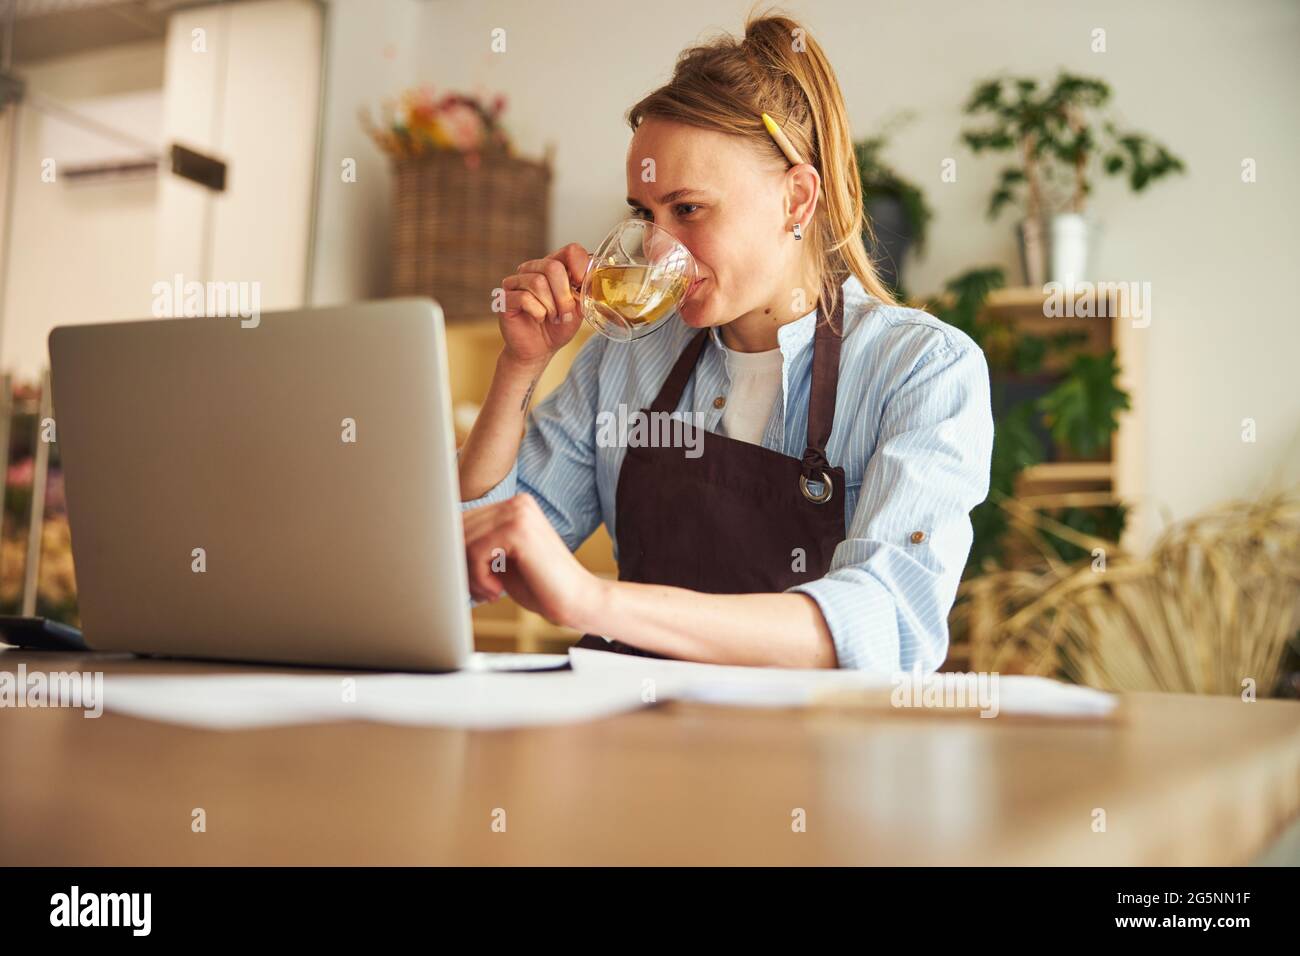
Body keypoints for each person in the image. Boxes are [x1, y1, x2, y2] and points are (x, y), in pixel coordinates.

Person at [456, 12, 993, 671]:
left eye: (688, 209)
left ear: (797, 200)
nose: (657, 247)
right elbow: (472, 560)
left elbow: (885, 620)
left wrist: (596, 603)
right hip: (637, 745)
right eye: (644, 214)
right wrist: (520, 366)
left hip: (814, 759)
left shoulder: (923, 369)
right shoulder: (623, 359)